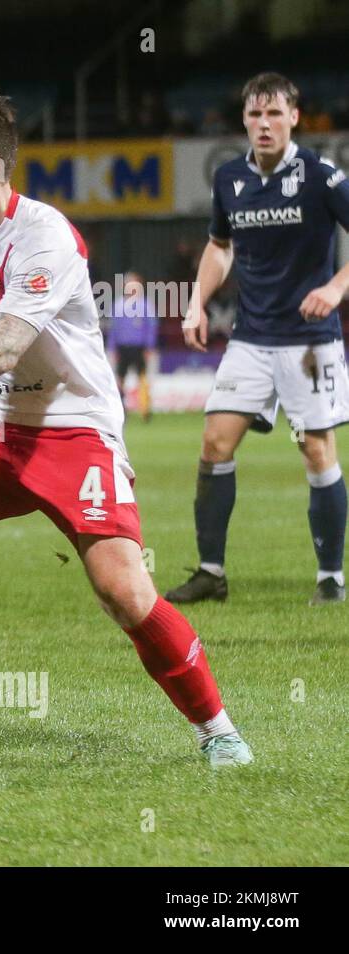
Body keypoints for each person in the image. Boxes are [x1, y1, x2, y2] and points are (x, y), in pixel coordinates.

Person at [0, 89, 253, 768]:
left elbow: (4, 348)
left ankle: (218, 729)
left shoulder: (46, 237)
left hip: (73, 432)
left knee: (123, 590)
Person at [169, 72, 349, 607]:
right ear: (244, 120)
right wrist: (197, 301)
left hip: (310, 342)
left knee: (315, 450)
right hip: (250, 338)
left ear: (295, 117)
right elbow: (219, 246)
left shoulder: (322, 176)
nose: (264, 124)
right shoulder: (228, 178)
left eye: (275, 114)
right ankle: (211, 573)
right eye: (254, 114)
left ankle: (331, 577)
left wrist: (337, 288)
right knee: (214, 443)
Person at [106, 271, 158, 423]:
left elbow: (151, 327)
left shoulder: (145, 305)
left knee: (142, 378)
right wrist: (112, 347)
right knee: (120, 379)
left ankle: (145, 409)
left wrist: (150, 346)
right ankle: (121, 408)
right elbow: (113, 328)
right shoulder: (118, 305)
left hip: (139, 347)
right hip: (122, 347)